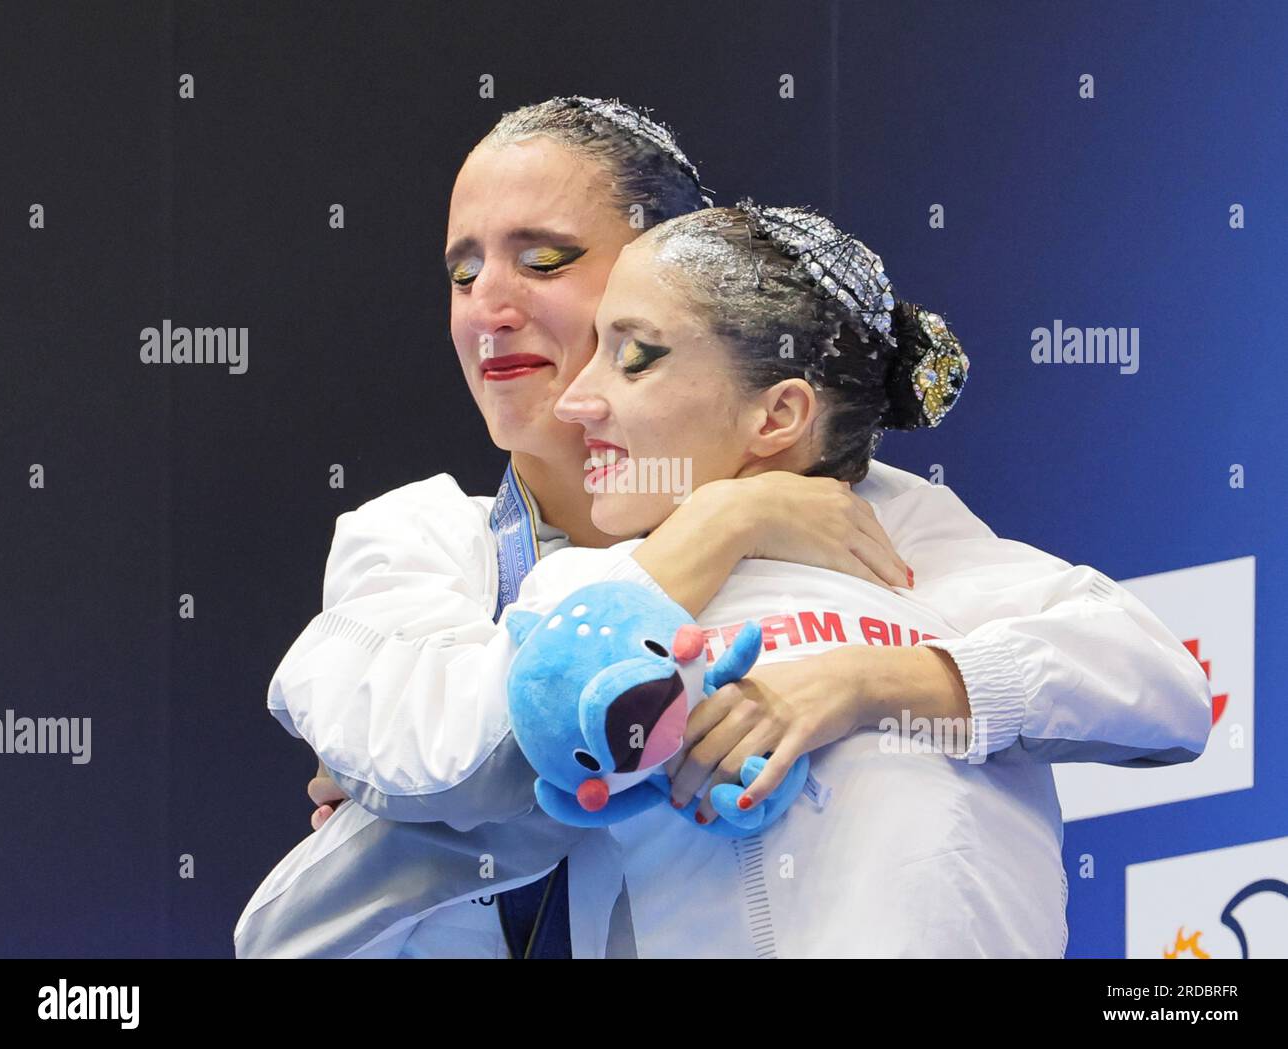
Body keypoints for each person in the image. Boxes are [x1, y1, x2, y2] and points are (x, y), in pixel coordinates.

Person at [235, 104, 1212, 959]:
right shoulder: (425, 538)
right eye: (460, 271)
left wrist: (876, 684)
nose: (488, 304)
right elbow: (452, 765)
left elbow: (1150, 685)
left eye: (546, 258)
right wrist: (722, 523)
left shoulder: (884, 519)